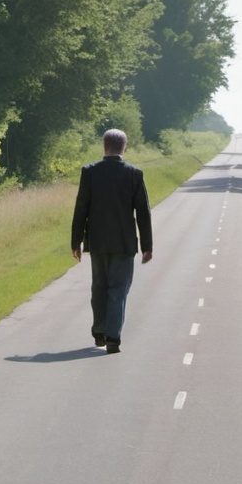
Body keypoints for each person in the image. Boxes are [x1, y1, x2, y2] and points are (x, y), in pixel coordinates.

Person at [70, 128, 153, 353]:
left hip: (97, 242)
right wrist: (147, 246)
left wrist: (75, 241)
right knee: (118, 289)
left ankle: (99, 330)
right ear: (124, 147)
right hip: (124, 244)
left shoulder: (90, 172)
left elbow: (81, 208)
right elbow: (143, 212)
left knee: (99, 287)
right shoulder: (134, 174)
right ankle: (112, 337)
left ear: (104, 146)